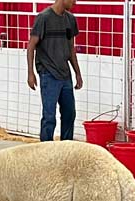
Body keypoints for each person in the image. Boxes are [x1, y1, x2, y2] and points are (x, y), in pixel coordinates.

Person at [28, 0, 82, 142]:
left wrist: (77, 72)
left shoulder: (70, 19)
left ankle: (66, 145)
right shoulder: (44, 18)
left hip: (65, 74)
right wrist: (31, 73)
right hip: (48, 73)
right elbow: (31, 46)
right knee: (49, 116)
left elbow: (71, 48)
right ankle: (45, 148)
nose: (75, 2)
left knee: (69, 113)